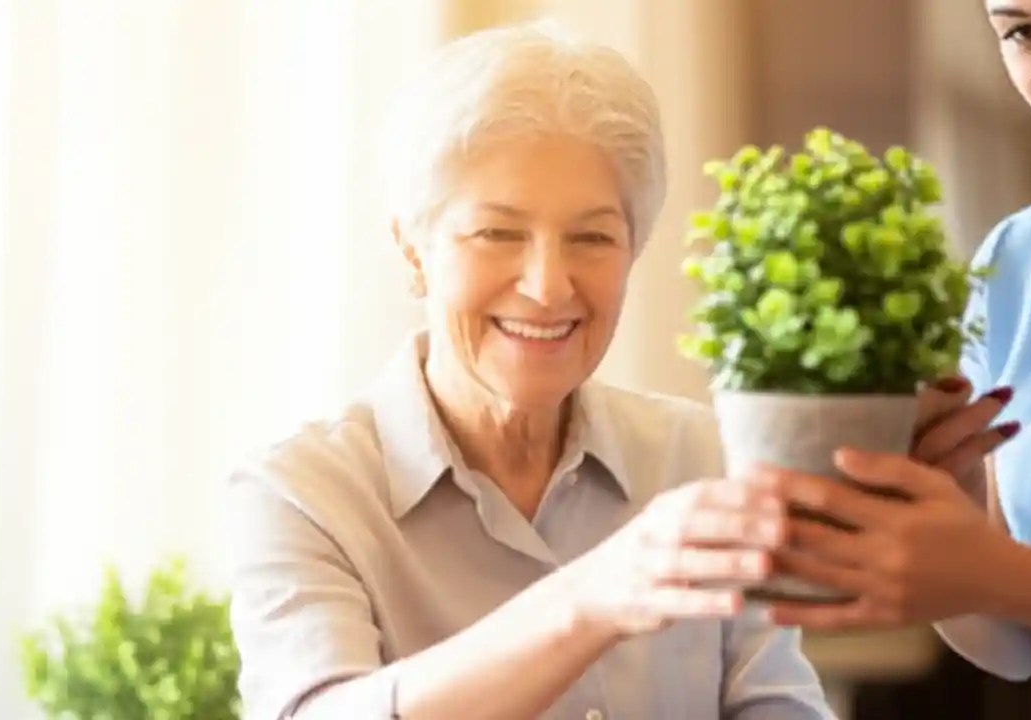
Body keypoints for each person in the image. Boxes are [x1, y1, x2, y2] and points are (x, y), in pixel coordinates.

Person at [225, 24, 844, 720]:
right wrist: (588, 599)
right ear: (413, 249)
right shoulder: (302, 494)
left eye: (592, 237)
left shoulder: (702, 460)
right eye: (497, 232)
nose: (549, 286)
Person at [754, 1, 1031, 718]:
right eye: (1024, 34)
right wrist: (957, 519)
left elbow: (1012, 582)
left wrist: (1002, 571)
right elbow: (1015, 652)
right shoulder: (1017, 264)